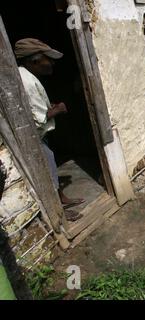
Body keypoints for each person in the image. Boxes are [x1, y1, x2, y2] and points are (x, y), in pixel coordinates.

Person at [14, 38, 84, 222]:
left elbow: (34, 110)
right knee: (49, 170)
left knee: (51, 167)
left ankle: (62, 199)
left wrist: (48, 107)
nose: (51, 63)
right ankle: (59, 212)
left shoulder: (26, 76)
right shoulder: (27, 82)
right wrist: (58, 109)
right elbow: (39, 119)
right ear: (34, 61)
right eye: (48, 59)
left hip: (40, 135)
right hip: (35, 138)